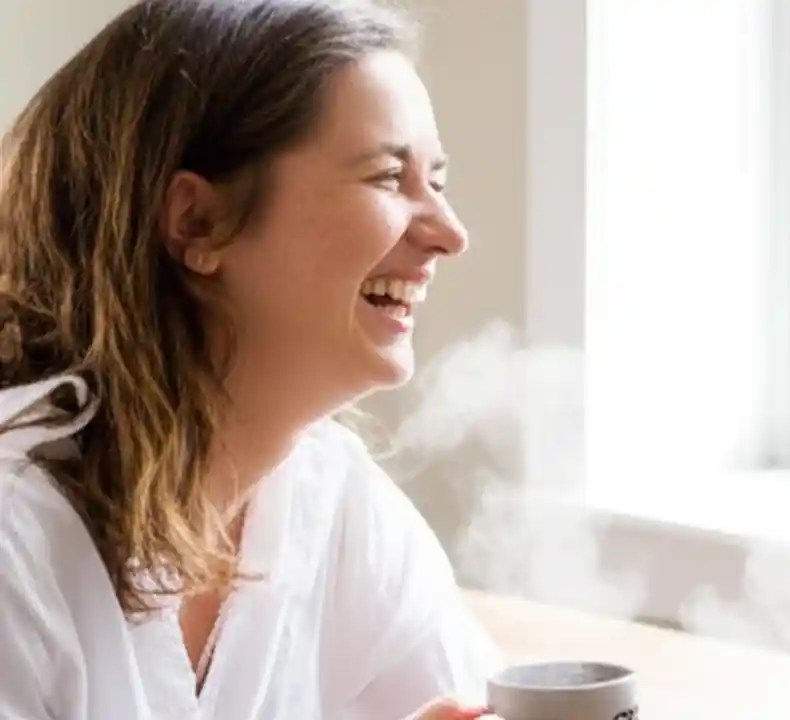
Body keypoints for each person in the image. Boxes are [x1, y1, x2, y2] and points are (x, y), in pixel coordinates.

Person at [0, 1, 504, 718]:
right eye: (388, 178)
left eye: (438, 184)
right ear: (198, 223)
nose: (449, 234)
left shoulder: (335, 504)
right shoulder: (15, 536)